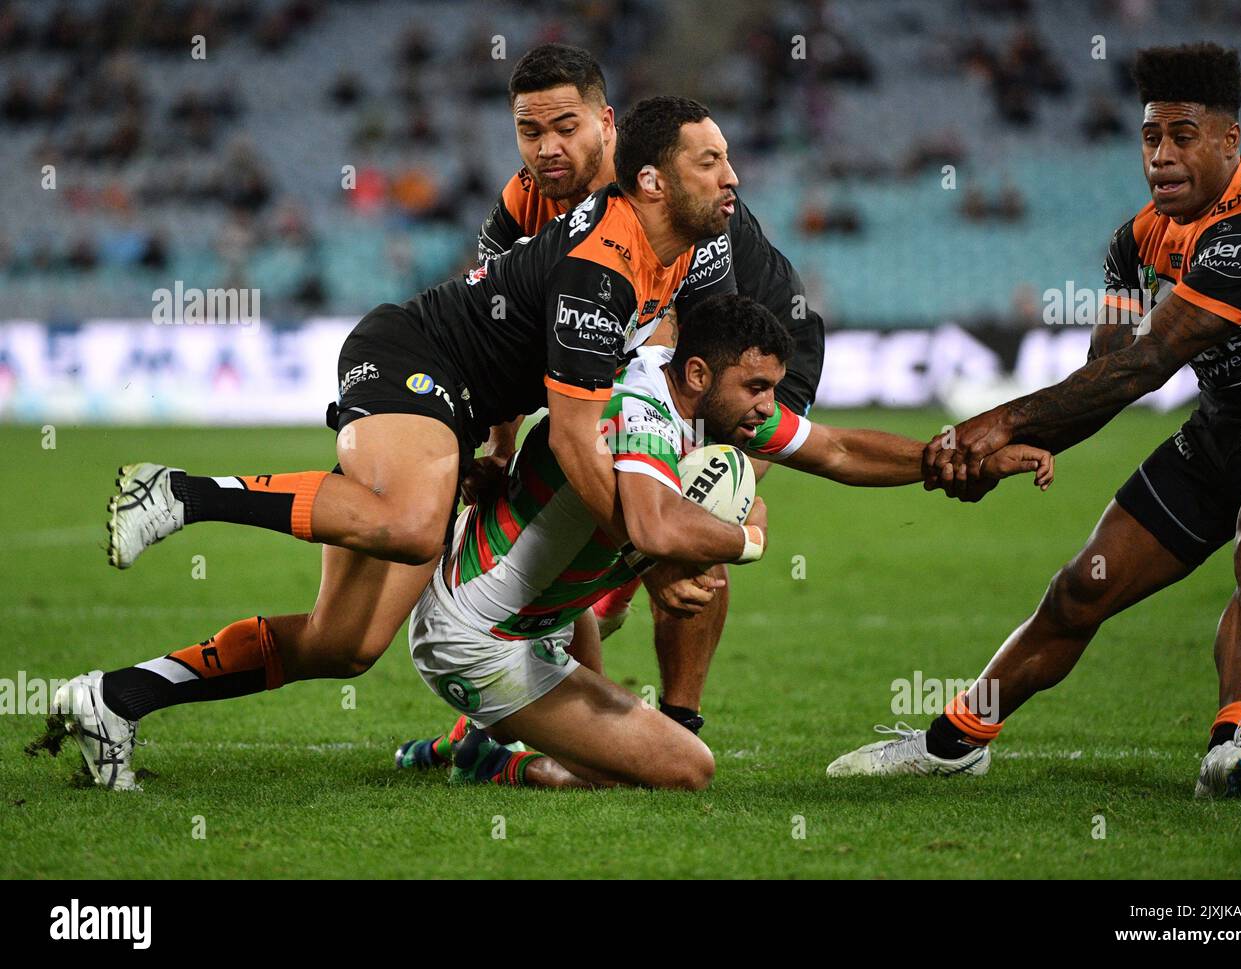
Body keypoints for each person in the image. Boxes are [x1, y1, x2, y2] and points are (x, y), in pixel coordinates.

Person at [49, 96, 745, 791]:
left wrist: (498, 453)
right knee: (412, 527)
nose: (731, 177)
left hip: (454, 412)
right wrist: (653, 558)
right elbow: (570, 433)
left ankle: (116, 698)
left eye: (564, 128)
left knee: (342, 642)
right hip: (413, 358)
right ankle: (181, 494)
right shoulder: (605, 260)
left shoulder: (663, 252)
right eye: (710, 162)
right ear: (651, 176)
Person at [828, 43, 1241, 799]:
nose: (1162, 156)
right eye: (1151, 137)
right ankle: (953, 742)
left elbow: (1152, 363)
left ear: (1229, 141)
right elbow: (1104, 379)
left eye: (1183, 136)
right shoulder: (1134, 241)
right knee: (1081, 588)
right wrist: (1014, 444)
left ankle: (1234, 740)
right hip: (1220, 433)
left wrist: (993, 421)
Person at [394, 295, 1053, 789]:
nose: (768, 406)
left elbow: (840, 450)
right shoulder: (641, 405)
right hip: (478, 636)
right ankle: (496, 758)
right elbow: (654, 526)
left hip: (538, 617)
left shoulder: (699, 397)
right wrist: (752, 536)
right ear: (702, 372)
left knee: (607, 701)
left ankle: (472, 733)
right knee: (683, 767)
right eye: (758, 387)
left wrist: (955, 455)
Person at [476, 42, 827, 735]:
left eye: (566, 128)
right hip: (653, 356)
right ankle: (594, 725)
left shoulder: (659, 187)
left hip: (745, 353)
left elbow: (699, 342)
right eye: (531, 131)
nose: (547, 148)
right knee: (589, 519)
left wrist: (656, 510)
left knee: (700, 510)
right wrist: (499, 444)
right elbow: (498, 328)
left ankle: (678, 720)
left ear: (606, 125)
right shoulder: (524, 199)